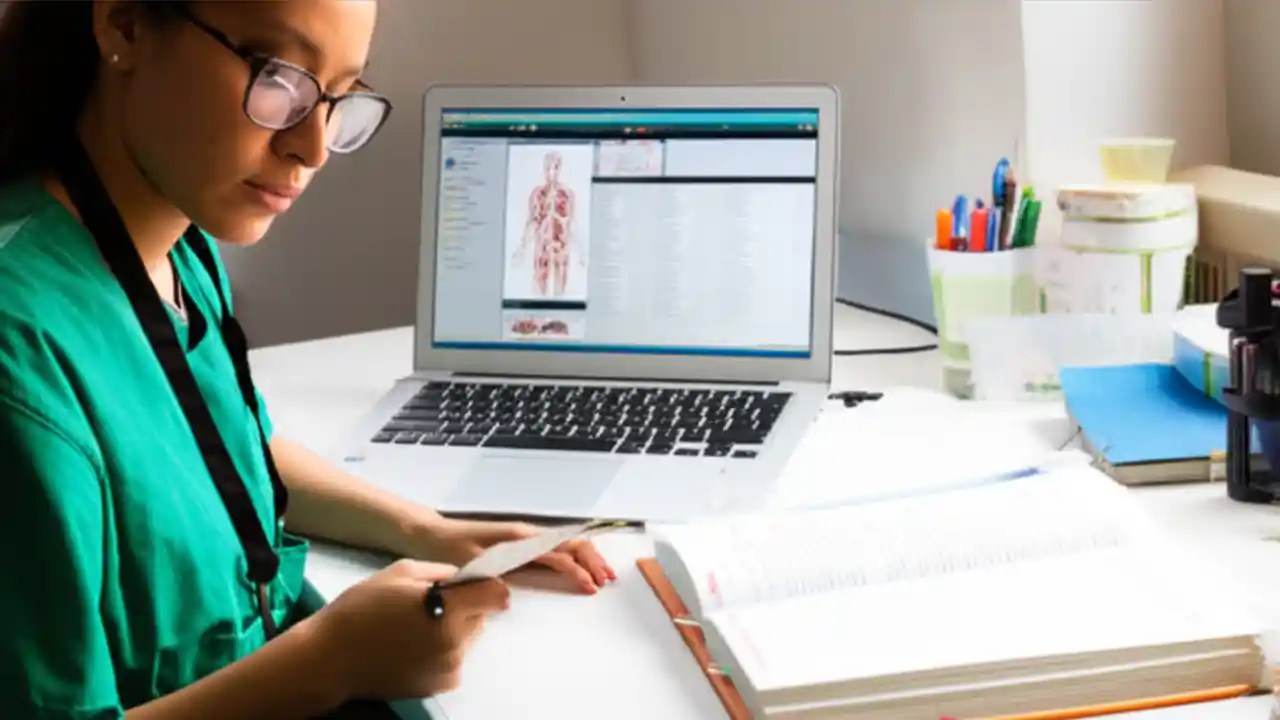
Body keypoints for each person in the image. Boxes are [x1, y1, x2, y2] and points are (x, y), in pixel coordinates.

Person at [0, 2, 615, 718]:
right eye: (278, 78)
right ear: (125, 25)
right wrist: (331, 661)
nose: (312, 148)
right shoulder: (21, 353)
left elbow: (220, 449)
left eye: (338, 98)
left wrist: (427, 529)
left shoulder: (176, 245)